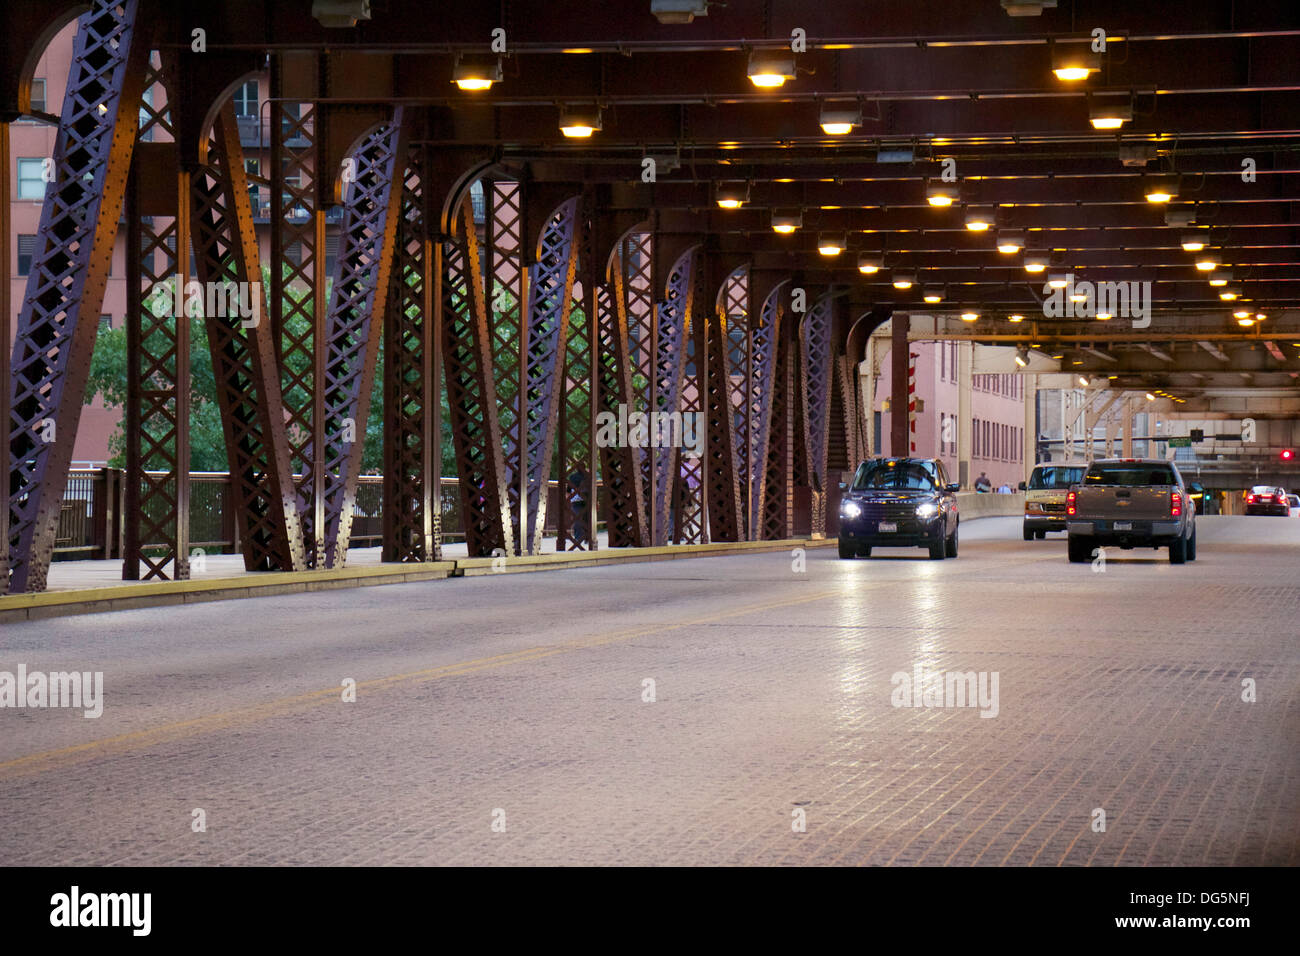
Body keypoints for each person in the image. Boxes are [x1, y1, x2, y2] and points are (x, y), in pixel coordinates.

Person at [566, 463, 590, 547]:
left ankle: (578, 538)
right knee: (587, 519)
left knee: (577, 519)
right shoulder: (588, 476)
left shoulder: (572, 477)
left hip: (575, 500)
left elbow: (568, 490)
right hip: (587, 500)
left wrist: (568, 500)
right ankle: (588, 537)